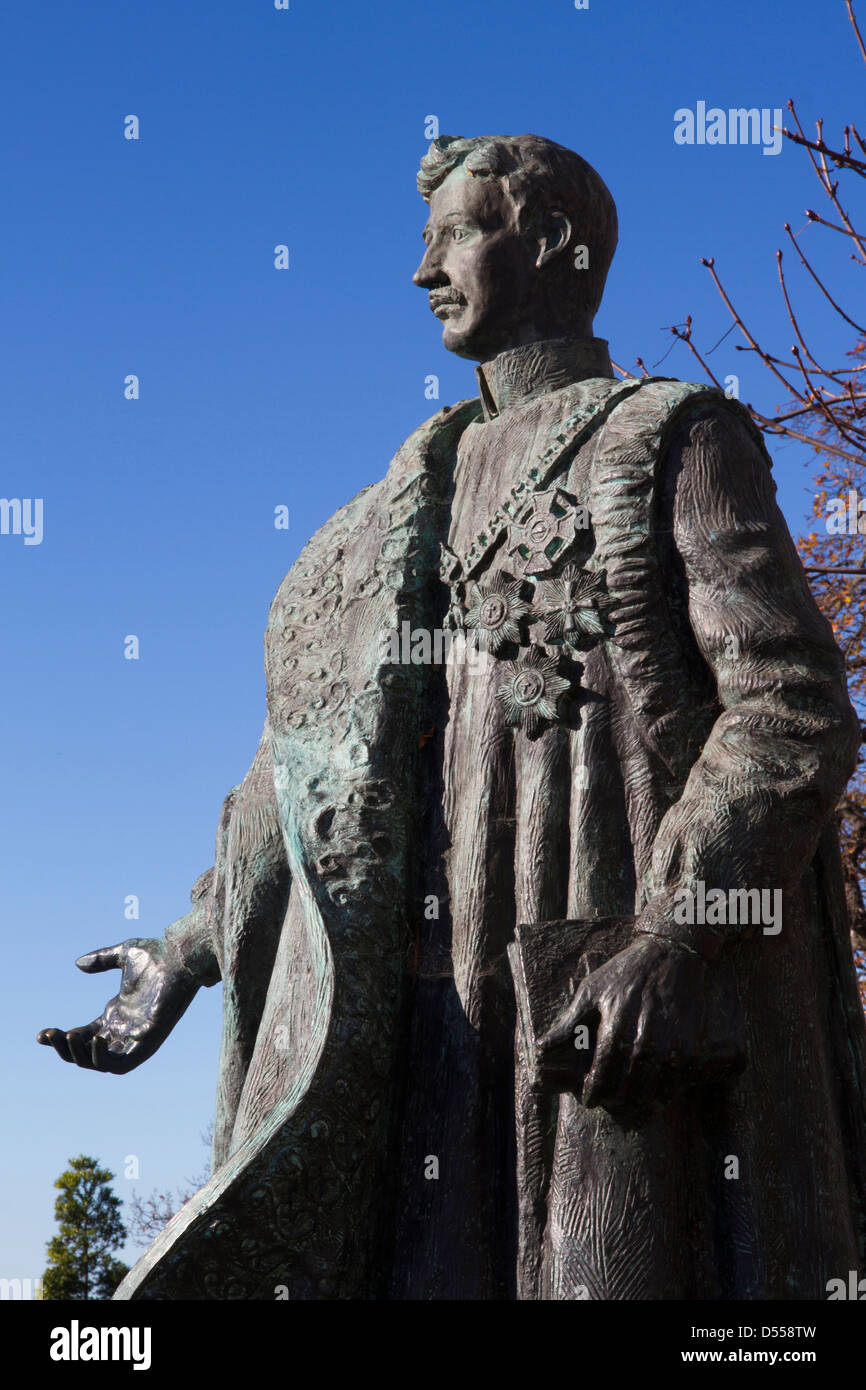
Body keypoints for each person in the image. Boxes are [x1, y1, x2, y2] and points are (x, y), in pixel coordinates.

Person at [39, 134, 866, 1300]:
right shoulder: (392, 510)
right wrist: (187, 946)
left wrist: (679, 935)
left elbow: (789, 704)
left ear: (553, 243)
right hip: (441, 1009)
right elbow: (308, 769)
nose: (421, 272)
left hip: (606, 972)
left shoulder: (674, 437)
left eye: (452, 239)